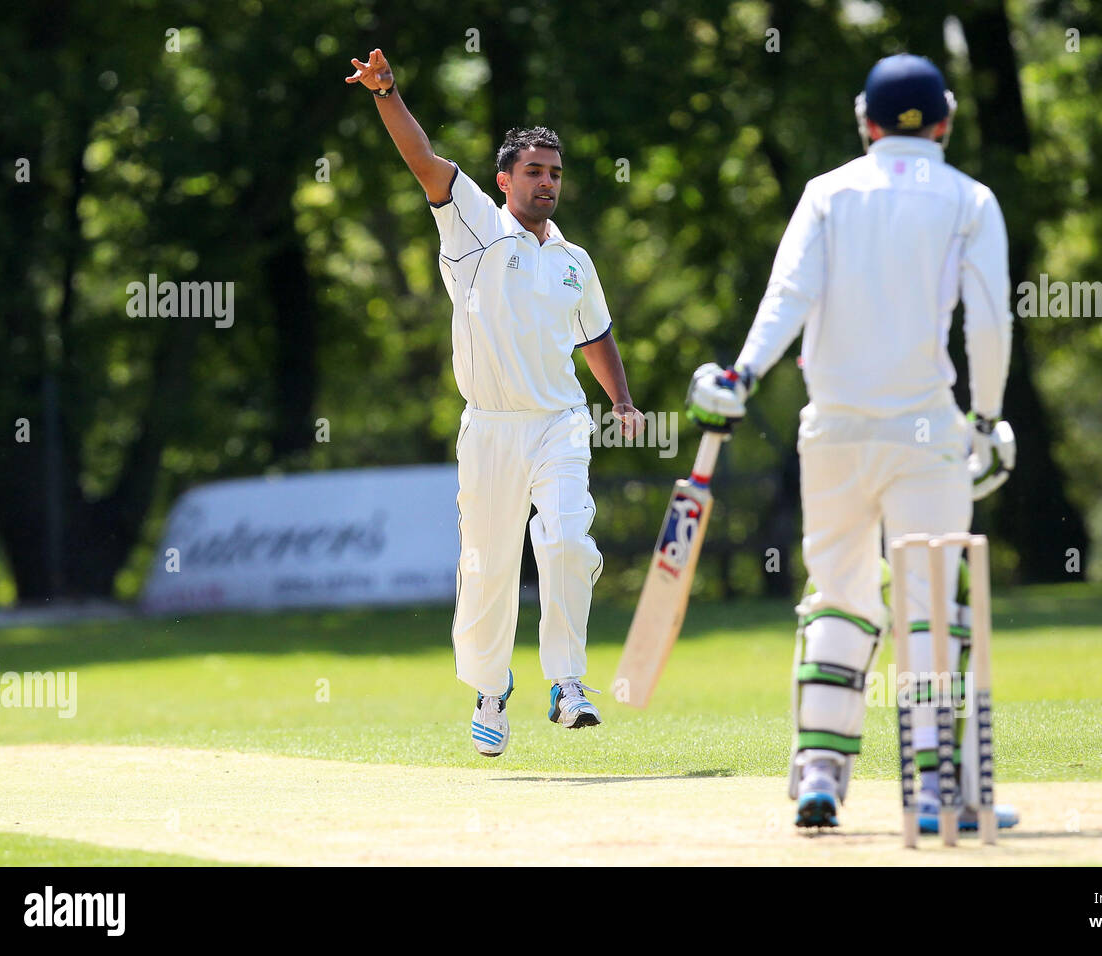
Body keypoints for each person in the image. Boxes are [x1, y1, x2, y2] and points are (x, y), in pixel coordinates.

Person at [685, 54, 1018, 833]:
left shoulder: (827, 193)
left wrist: (742, 373)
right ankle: (938, 786)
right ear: (945, 120)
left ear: (865, 119)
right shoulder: (970, 199)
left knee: (837, 592)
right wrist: (988, 419)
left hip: (832, 428)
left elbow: (789, 295)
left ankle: (822, 773)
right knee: (932, 600)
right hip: (927, 430)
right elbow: (992, 321)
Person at [347, 49, 643, 757]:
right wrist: (387, 92)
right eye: (534, 172)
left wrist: (624, 402)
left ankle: (568, 683)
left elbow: (595, 333)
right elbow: (422, 159)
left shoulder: (574, 260)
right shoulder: (475, 225)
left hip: (560, 424)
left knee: (569, 540)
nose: (547, 184)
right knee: (485, 566)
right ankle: (489, 688)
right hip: (490, 430)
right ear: (505, 178)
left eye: (556, 173)